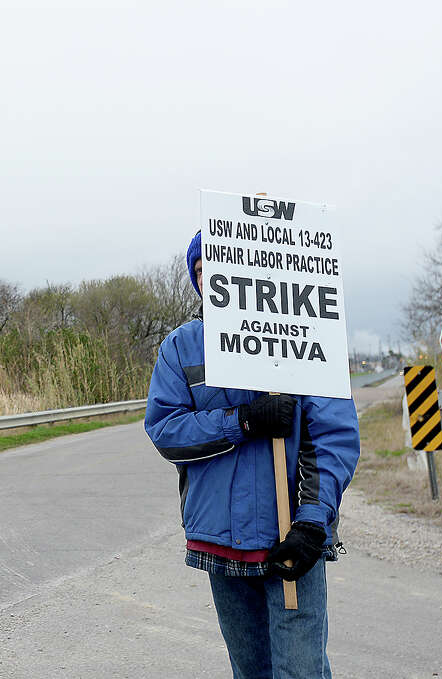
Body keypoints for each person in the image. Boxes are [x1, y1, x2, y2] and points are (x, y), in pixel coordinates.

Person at [144, 231, 359, 679]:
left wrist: (312, 523)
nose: (210, 279)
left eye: (220, 267)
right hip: (220, 542)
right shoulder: (181, 348)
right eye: (200, 271)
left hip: (293, 538)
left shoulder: (307, 334)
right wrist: (242, 421)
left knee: (301, 671)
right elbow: (166, 431)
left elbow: (333, 437)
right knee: (251, 671)